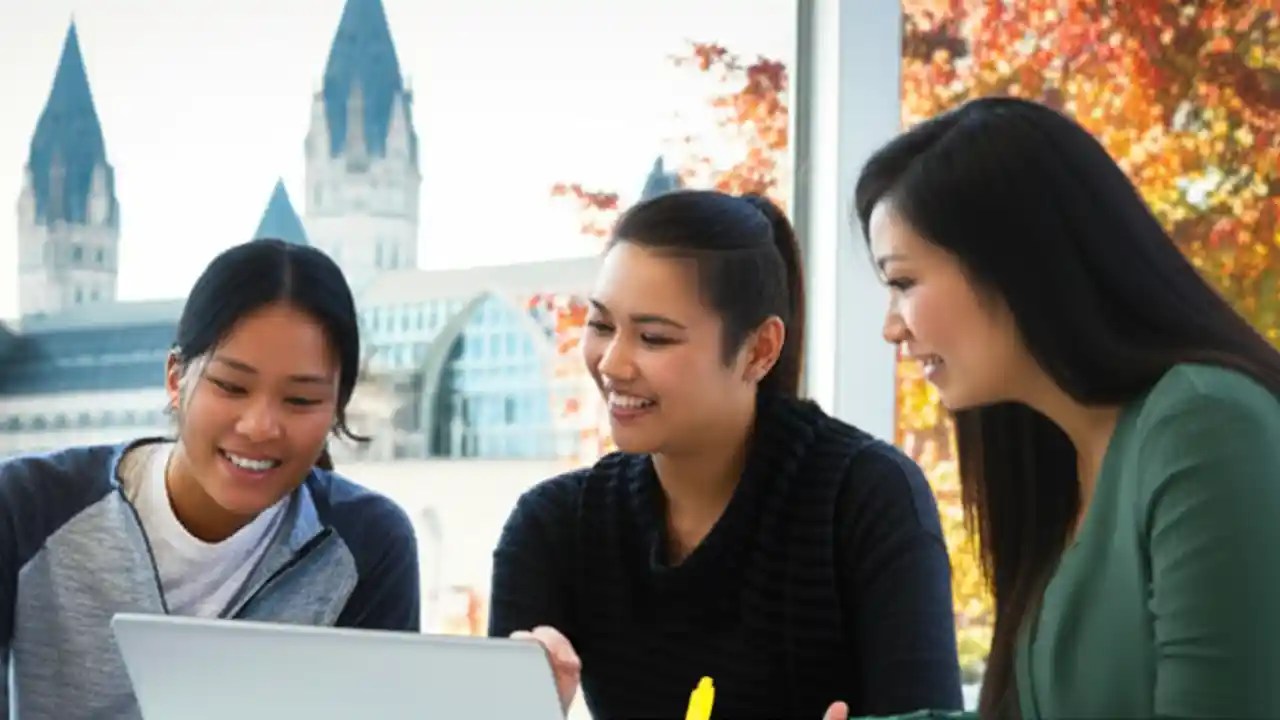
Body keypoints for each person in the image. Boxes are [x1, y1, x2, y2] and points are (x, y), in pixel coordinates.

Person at [845, 95, 1280, 719]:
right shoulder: (1055, 460)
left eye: (904, 282)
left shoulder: (1206, 425)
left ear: (1013, 262)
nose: (893, 328)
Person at [490, 189, 964, 719]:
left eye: (653, 337)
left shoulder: (866, 498)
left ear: (759, 350)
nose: (613, 363)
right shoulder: (554, 525)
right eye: (601, 326)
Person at [0, 238, 420, 720]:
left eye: (301, 400)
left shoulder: (369, 544)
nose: (260, 426)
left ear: (337, 409)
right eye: (231, 386)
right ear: (176, 379)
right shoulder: (28, 507)